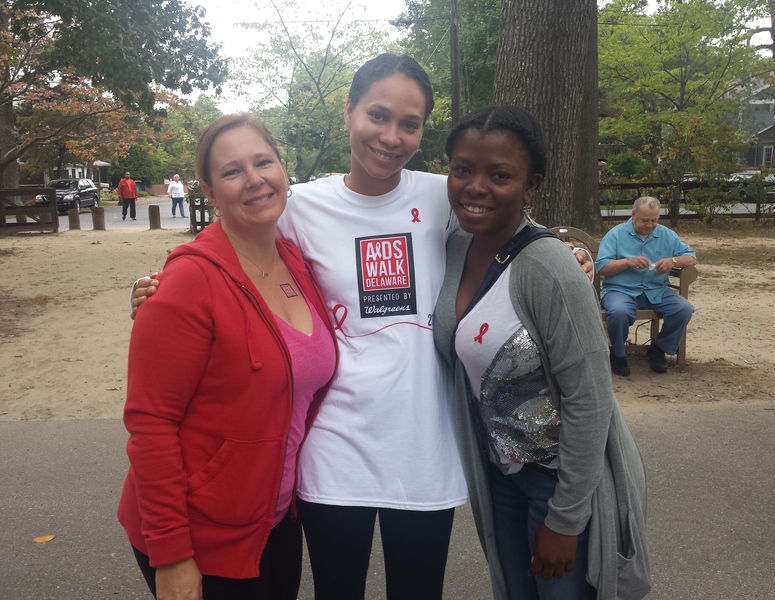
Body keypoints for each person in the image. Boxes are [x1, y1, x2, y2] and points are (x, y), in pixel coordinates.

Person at [130, 54, 593, 600]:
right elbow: (234, 251)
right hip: (334, 450)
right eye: (377, 115)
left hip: (425, 448)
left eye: (409, 123)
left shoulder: (444, 194)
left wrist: (567, 253)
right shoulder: (298, 206)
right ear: (349, 111)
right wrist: (158, 286)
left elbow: (505, 224)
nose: (391, 136)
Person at [432, 106, 651, 600]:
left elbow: (591, 400)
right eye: (463, 169)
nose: (475, 187)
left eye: (500, 175)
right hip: (499, 473)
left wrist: (566, 520)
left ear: (530, 186)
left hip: (557, 482)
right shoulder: (455, 246)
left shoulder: (549, 267)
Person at [117, 114, 338, 600]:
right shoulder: (188, 282)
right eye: (232, 171)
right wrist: (172, 555)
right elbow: (151, 424)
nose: (255, 179)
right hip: (201, 533)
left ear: (283, 169)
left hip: (274, 518)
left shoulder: (296, 262)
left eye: (264, 162)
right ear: (210, 191)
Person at [595, 196, 697, 376]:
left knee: (684, 309)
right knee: (619, 312)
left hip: (656, 290)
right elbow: (601, 267)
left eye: (654, 220)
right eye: (645, 220)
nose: (649, 225)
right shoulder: (615, 235)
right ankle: (618, 354)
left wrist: (672, 261)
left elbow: (691, 257)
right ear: (633, 214)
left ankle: (659, 348)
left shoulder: (667, 235)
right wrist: (627, 262)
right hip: (621, 290)